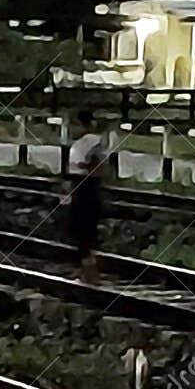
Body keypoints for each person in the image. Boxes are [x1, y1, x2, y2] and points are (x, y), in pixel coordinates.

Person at [64, 109, 107, 283]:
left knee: (84, 231)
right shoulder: (82, 143)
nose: (72, 129)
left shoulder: (92, 143)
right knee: (79, 231)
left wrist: (86, 167)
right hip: (80, 187)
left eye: (75, 124)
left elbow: (98, 165)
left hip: (86, 189)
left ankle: (90, 272)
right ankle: (85, 269)